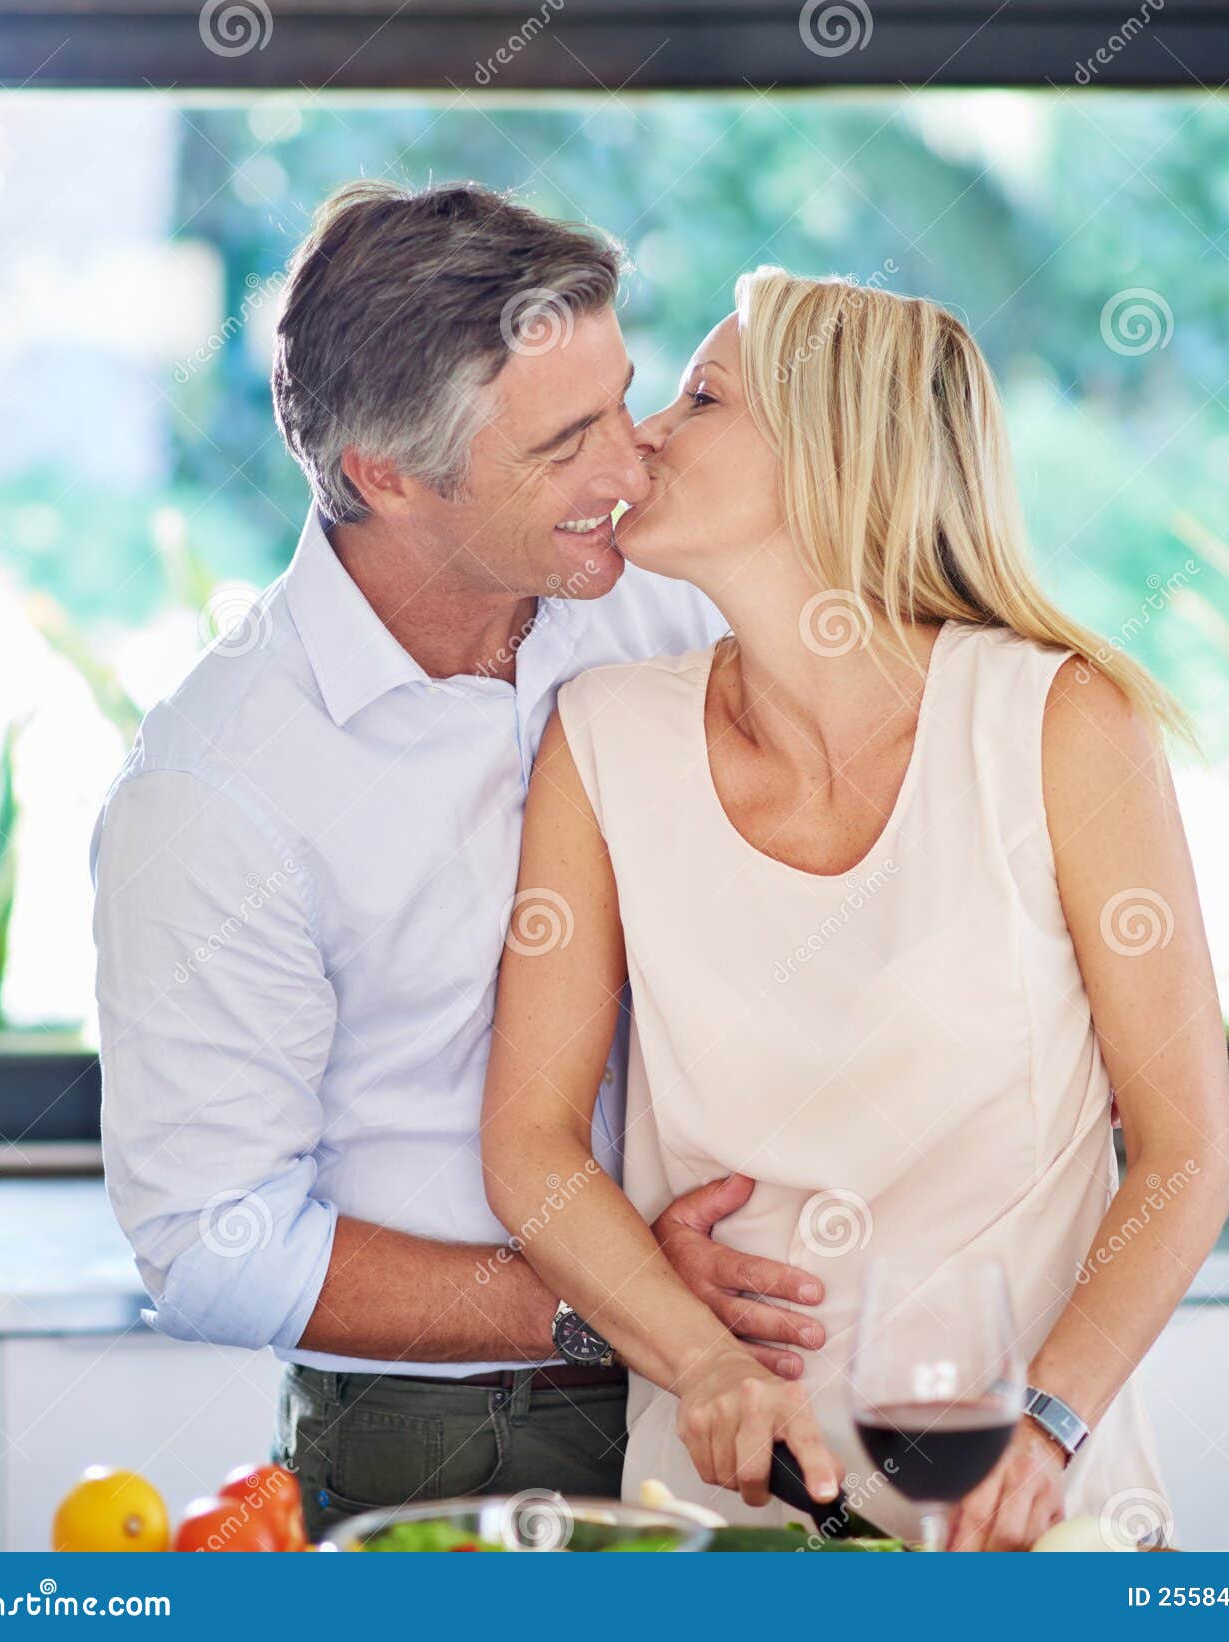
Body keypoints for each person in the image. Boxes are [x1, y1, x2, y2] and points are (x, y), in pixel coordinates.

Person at [91, 186, 830, 1544]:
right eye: (565, 443)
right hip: (450, 1432)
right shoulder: (215, 792)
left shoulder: (660, 601)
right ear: (386, 471)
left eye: (626, 399)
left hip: (752, 1377)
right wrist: (607, 1299)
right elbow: (209, 1244)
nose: (630, 467)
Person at [481, 267, 1229, 1549]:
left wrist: (1047, 1424)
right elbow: (530, 1146)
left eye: (700, 397)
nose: (645, 434)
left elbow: (1183, 1152)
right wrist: (699, 1361)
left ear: (835, 454)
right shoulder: (606, 738)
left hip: (1034, 1522)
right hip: (722, 1518)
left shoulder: (1058, 725)